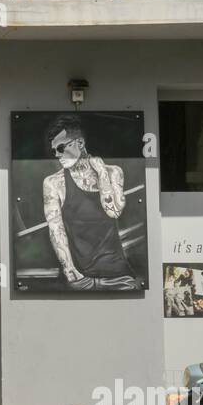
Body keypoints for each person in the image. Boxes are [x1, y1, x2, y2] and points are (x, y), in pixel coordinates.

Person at [41, 114, 139, 289]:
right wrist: (70, 272)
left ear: (80, 143)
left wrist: (101, 174)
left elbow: (114, 211)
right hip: (79, 277)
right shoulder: (54, 183)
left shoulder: (113, 173)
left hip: (118, 275)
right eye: (54, 150)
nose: (57, 155)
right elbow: (56, 230)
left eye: (61, 148)